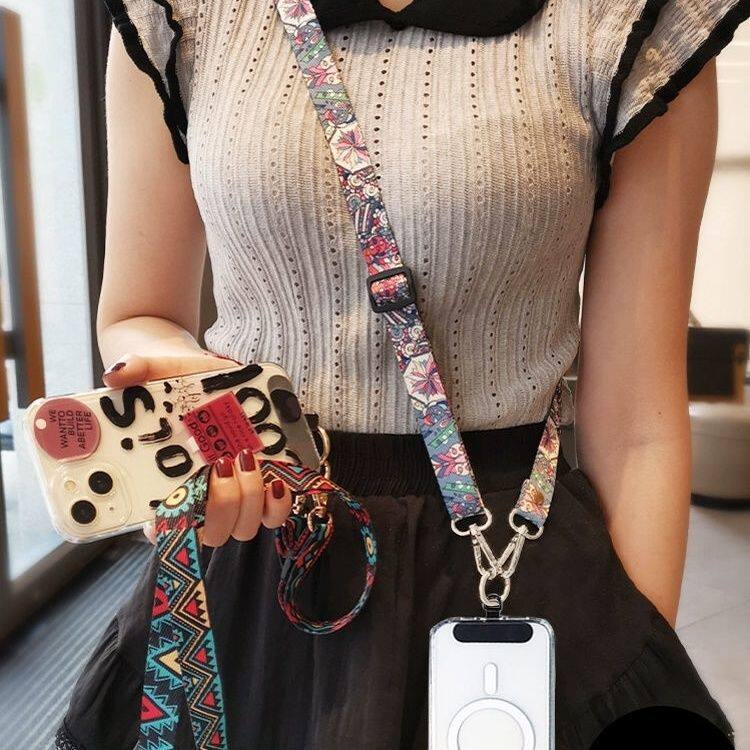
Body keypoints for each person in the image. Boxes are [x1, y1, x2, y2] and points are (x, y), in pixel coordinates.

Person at [56, 0, 748, 748]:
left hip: (513, 561)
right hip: (253, 550)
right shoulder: (181, 13)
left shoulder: (633, 21)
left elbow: (640, 419)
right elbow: (139, 312)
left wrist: (631, 664)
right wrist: (204, 406)